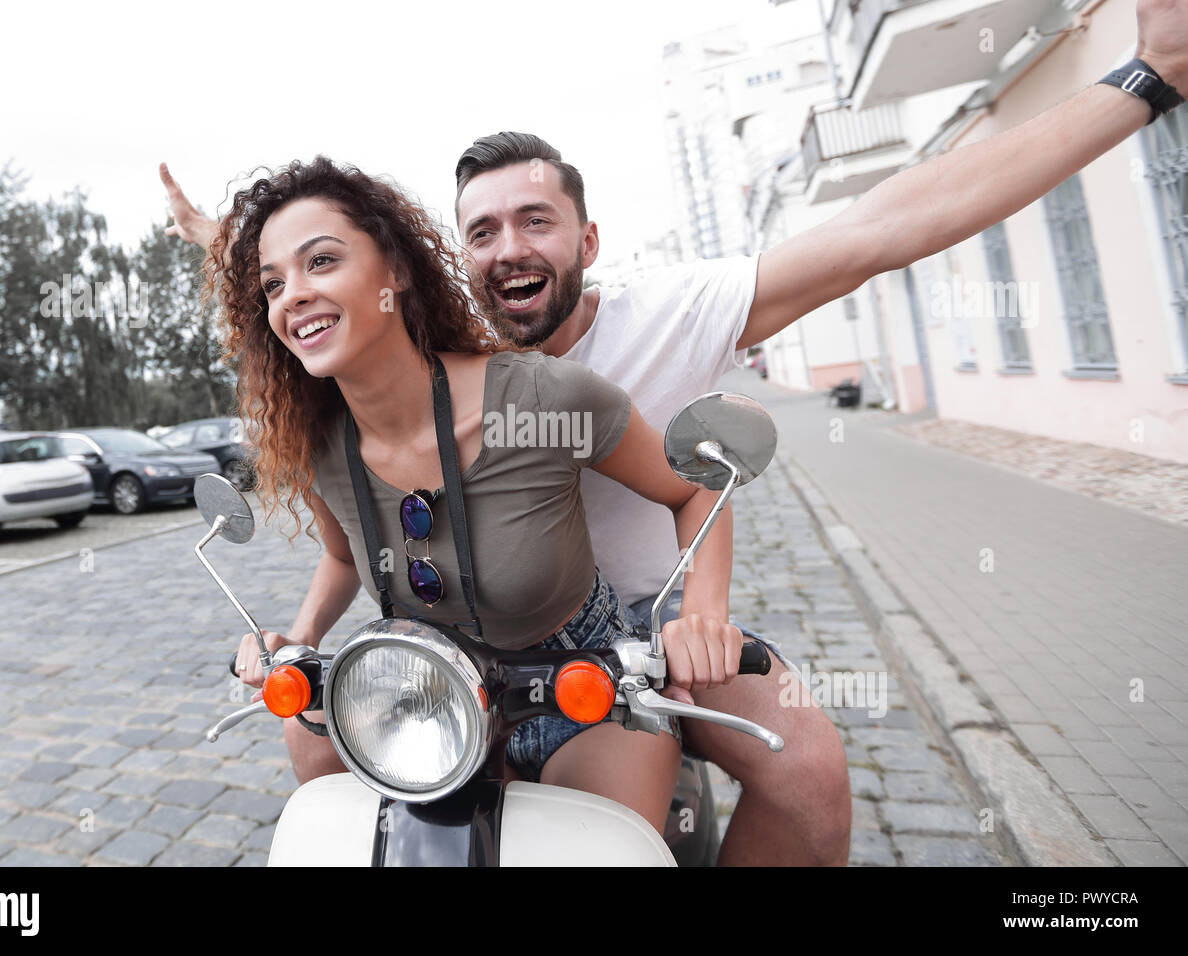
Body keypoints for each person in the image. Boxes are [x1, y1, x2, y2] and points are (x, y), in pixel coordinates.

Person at [161, 1, 1188, 864]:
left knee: (809, 766)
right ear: (449, 253)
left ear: (586, 238)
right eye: (481, 229)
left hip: (639, 632)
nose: (509, 247)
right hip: (450, 652)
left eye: (535, 221)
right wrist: (228, 245)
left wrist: (1143, 80)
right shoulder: (402, 362)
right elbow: (316, 287)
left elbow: (880, 232)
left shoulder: (655, 321)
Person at [204, 154, 751, 834]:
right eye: (273, 284)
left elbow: (695, 491)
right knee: (311, 744)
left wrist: (702, 612)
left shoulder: (539, 397)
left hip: (583, 685)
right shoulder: (321, 448)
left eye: (321, 262)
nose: (293, 295)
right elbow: (345, 558)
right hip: (429, 692)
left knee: (601, 847)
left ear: (396, 272)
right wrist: (298, 637)